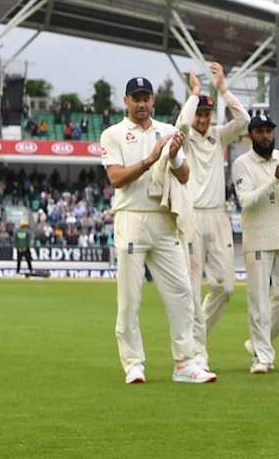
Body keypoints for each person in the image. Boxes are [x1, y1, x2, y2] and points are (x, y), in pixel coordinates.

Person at [101, 76, 213, 384]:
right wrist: (151, 159)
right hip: (131, 218)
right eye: (135, 98)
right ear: (126, 101)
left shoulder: (168, 131)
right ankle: (133, 363)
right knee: (130, 298)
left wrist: (174, 153)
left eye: (146, 98)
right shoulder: (114, 134)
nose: (141, 104)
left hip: (164, 220)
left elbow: (185, 174)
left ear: (153, 101)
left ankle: (185, 363)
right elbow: (116, 178)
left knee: (182, 293)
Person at [175, 62, 250, 342]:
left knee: (226, 287)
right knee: (192, 287)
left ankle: (197, 337)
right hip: (192, 216)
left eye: (207, 114)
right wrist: (195, 94)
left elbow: (244, 121)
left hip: (218, 217)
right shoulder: (184, 139)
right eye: (200, 114)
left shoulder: (218, 136)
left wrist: (223, 90)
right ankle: (196, 350)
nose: (203, 120)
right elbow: (181, 124)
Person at [235, 113, 279, 374]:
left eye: (268, 131)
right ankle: (262, 357)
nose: (265, 135)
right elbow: (247, 201)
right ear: (250, 135)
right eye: (259, 131)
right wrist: (274, 179)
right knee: (259, 301)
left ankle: (258, 342)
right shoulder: (242, 163)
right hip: (257, 237)